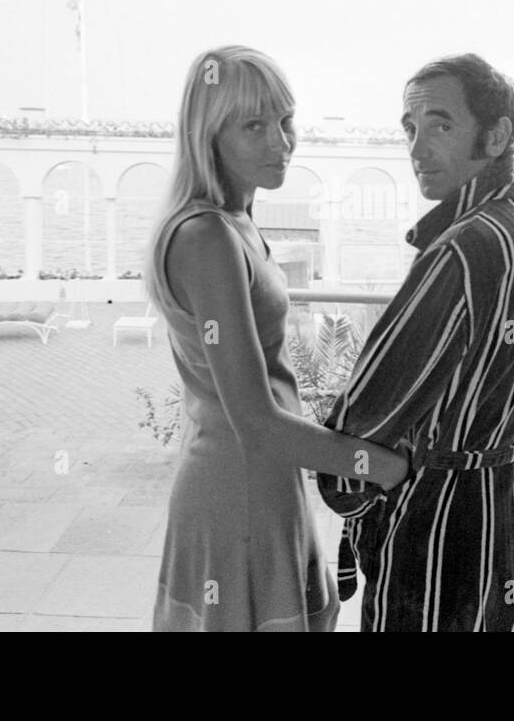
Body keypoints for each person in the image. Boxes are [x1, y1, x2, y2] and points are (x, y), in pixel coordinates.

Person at [148, 45, 409, 632]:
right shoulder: (207, 237)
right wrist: (386, 468)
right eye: (253, 125)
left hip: (252, 481)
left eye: (285, 120)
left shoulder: (231, 223)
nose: (280, 142)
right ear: (208, 134)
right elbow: (259, 424)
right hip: (238, 491)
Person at [317, 53, 514, 632]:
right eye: (410, 127)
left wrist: (363, 490)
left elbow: (360, 423)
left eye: (441, 124)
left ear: (496, 135)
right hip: (503, 512)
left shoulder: (461, 250)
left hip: (439, 533)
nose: (418, 147)